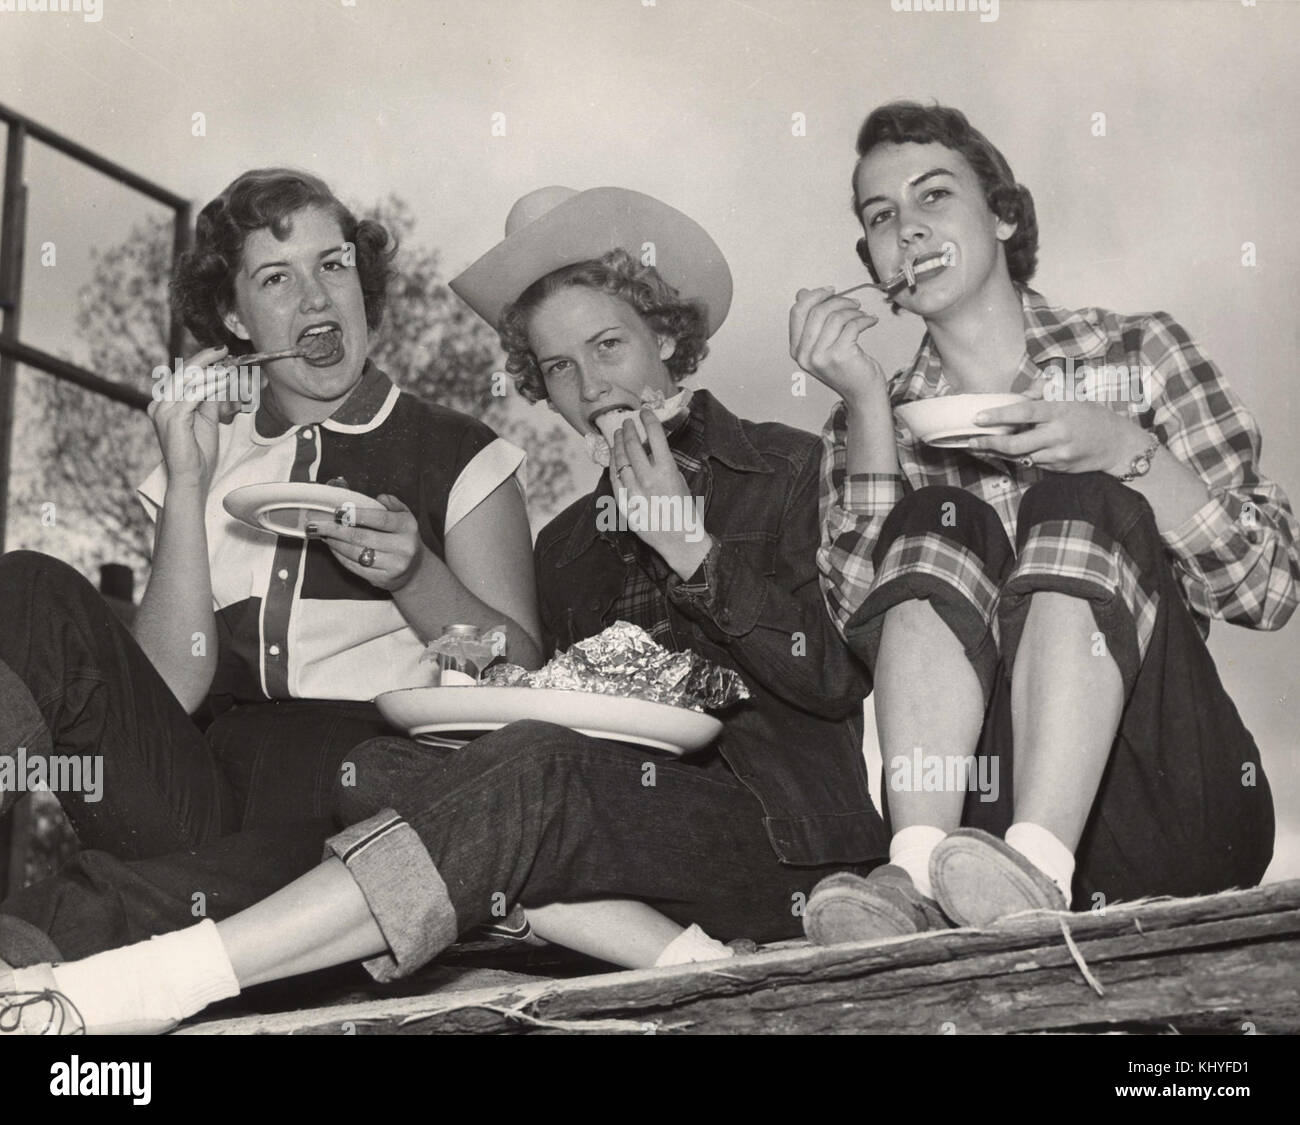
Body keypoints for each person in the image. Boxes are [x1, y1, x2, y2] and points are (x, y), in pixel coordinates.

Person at [2, 185, 883, 1034]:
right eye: (558, 369)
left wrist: (685, 546)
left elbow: (835, 675)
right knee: (35, 589)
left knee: (396, 779)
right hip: (563, 824)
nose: (590, 387)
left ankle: (115, 980)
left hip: (771, 832)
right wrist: (189, 478)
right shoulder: (573, 543)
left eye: (609, 346)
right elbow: (543, 700)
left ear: (668, 333)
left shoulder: (787, 467)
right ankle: (686, 960)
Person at [0, 168, 541, 971]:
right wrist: (187, 481)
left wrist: (416, 574)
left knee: (89, 911)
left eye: (334, 264)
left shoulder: (460, 451)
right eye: (276, 278)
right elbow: (169, 691)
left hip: (362, 798)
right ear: (233, 318)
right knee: (30, 586)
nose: (316, 299)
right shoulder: (206, 458)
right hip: (204, 791)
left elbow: (524, 672)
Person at [789, 102, 1298, 943]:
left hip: (1168, 802)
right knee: (937, 514)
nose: (908, 230)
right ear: (872, 264)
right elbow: (859, 629)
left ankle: (1042, 862)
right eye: (882, 219)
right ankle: (913, 875)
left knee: (1080, 494)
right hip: (970, 844)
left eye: (933, 197)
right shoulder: (862, 423)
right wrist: (869, 402)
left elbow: (1271, 585)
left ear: (1005, 213)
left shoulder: (1137, 352)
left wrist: (1127, 449)